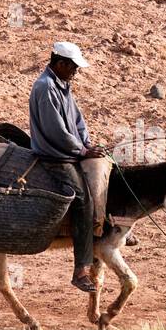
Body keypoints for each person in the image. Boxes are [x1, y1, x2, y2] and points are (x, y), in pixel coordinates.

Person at [29, 41, 106, 293]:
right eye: (73, 67)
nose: (75, 72)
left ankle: (109, 226)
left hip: (70, 150)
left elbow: (78, 121)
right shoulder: (45, 87)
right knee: (82, 198)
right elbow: (56, 132)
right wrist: (82, 150)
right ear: (59, 63)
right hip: (54, 156)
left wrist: (87, 143)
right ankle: (81, 270)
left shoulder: (63, 85)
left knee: (105, 169)